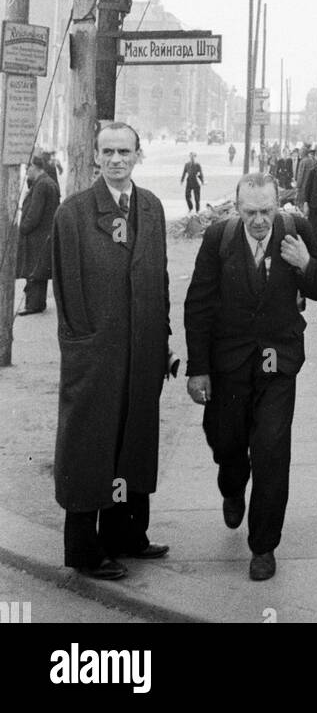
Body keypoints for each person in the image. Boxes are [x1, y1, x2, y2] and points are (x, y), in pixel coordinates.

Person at [184, 173, 317, 580]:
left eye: (267, 211)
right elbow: (198, 304)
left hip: (278, 364)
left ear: (279, 205)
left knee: (271, 451)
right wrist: (198, 370)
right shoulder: (219, 238)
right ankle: (232, 487)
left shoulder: (296, 230)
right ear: (236, 208)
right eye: (250, 213)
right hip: (229, 365)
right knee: (227, 443)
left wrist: (305, 264)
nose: (260, 221)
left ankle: (264, 545)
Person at [52, 122, 172, 580]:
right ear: (96, 156)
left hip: (142, 352)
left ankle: (126, 535)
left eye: (125, 151)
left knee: (133, 443)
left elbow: (158, 279)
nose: (117, 160)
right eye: (108, 152)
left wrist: (160, 341)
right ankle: (86, 550)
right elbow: (68, 291)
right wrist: (85, 347)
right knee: (91, 446)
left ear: (138, 155)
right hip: (96, 354)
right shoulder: (74, 212)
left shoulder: (152, 208)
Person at [16, 155, 60, 314]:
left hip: (37, 236)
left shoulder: (42, 185)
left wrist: (23, 228)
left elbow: (34, 213)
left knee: (34, 270)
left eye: (28, 169)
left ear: (35, 167)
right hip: (44, 234)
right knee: (38, 270)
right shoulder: (48, 182)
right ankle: (36, 303)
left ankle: (33, 305)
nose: (27, 172)